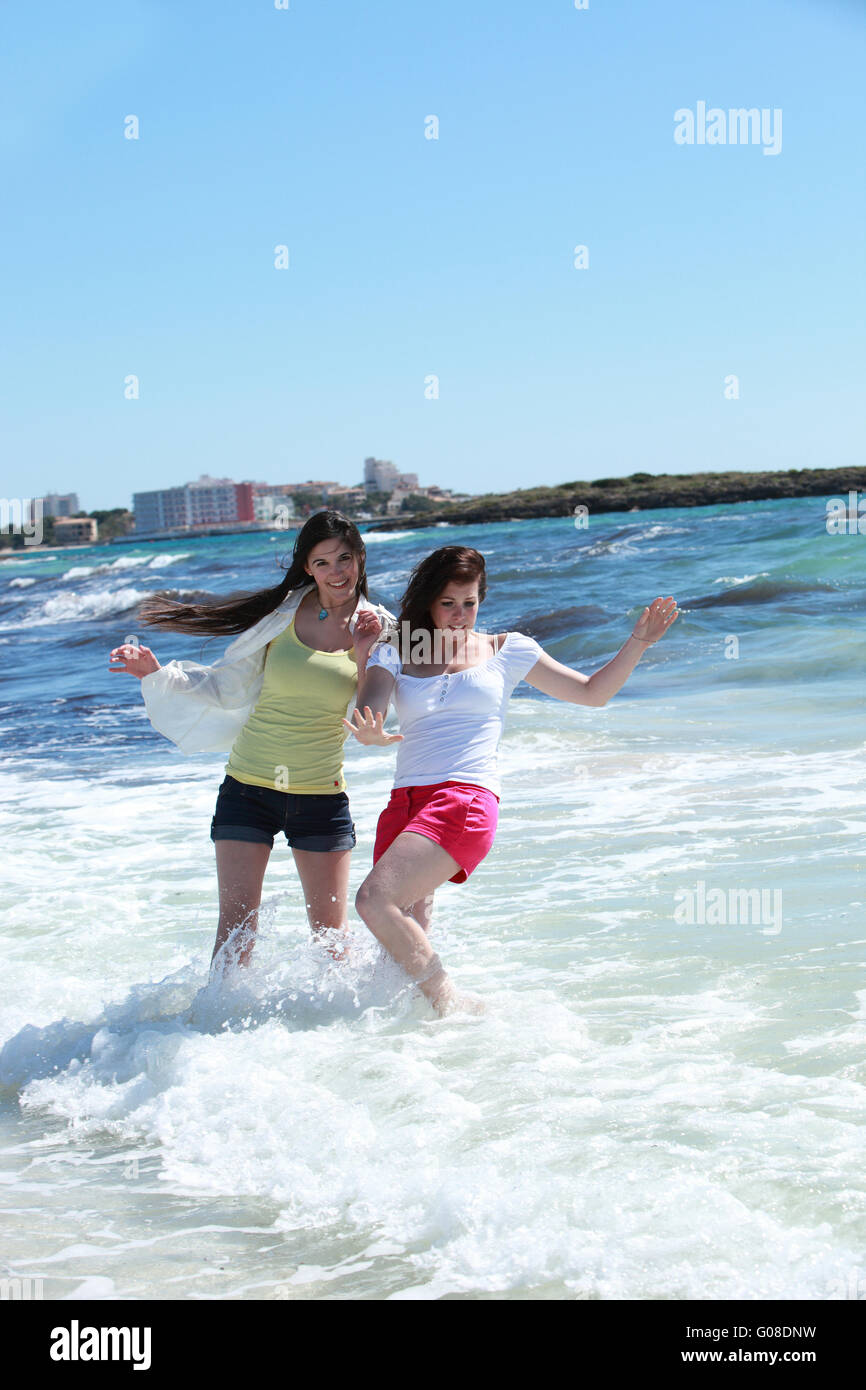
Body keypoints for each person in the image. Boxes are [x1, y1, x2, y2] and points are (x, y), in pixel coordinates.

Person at [343, 545, 678, 1015]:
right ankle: (419, 1037)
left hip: (464, 797)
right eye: (448, 603)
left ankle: (451, 1003)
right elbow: (370, 706)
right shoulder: (395, 649)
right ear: (427, 601)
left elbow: (591, 693)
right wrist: (372, 726)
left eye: (470, 602)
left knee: (374, 901)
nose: (460, 615)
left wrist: (638, 642)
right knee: (402, 934)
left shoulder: (508, 649)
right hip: (405, 802)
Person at [109, 511, 395, 970]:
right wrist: (157, 674)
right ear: (307, 568)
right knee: (236, 932)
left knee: (330, 942)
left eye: (344, 558)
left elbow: (373, 714)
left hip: (318, 795)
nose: (336, 572)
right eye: (322, 563)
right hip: (247, 788)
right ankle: (214, 1029)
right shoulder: (280, 617)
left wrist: (363, 655)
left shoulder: (380, 628)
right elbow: (227, 687)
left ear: (360, 557)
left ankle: (342, 1038)